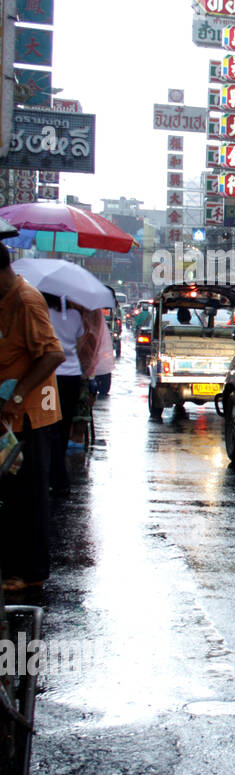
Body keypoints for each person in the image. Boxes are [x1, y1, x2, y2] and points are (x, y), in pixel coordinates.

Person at [0, 244, 66, 594]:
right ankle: (14, 566)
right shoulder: (8, 299)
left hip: (29, 415)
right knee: (11, 495)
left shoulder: (26, 301)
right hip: (11, 416)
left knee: (28, 497)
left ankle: (31, 572)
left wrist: (16, 397)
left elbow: (52, 354)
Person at [43, 293, 90, 497]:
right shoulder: (75, 316)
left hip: (49, 376)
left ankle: (51, 474)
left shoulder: (43, 313)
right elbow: (79, 346)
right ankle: (60, 473)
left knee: (48, 423)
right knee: (64, 425)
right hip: (71, 374)